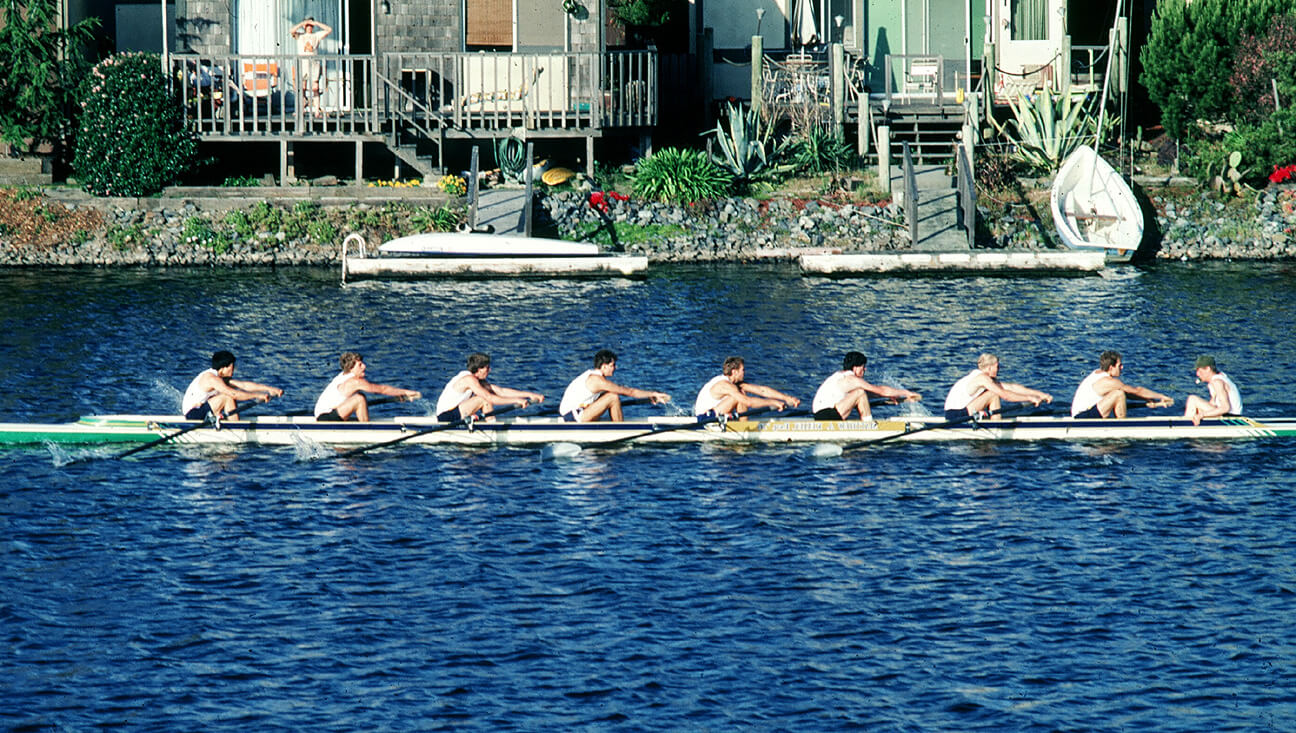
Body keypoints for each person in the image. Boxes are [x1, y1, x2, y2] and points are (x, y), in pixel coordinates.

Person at [558, 349, 670, 422]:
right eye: (612, 365)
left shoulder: (593, 376)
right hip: (572, 417)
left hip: (574, 413)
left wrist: (648, 397)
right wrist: (653, 393)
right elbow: (629, 392)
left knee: (609, 394)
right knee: (613, 397)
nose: (615, 368)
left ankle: (616, 423)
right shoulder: (597, 380)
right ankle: (619, 429)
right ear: (604, 366)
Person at [812, 351, 921, 420]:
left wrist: (890, 396)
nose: (865, 369)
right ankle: (869, 425)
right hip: (827, 415)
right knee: (860, 392)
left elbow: (870, 394)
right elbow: (880, 390)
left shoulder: (839, 376)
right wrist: (906, 392)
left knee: (861, 393)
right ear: (855, 368)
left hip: (820, 415)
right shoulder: (851, 379)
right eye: (863, 367)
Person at [314, 351, 420, 422]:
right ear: (351, 368)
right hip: (325, 417)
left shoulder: (343, 375)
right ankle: (366, 430)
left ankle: (363, 425)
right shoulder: (355, 381)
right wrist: (406, 392)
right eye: (360, 365)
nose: (364, 366)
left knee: (360, 398)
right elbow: (382, 390)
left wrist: (397, 397)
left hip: (325, 414)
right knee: (359, 398)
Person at [435, 353, 543, 422]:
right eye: (487, 368)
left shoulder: (477, 379)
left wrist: (530, 395)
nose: (489, 370)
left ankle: (491, 423)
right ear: (479, 369)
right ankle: (492, 427)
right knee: (483, 399)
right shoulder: (469, 379)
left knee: (485, 396)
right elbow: (489, 398)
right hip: (446, 417)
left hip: (455, 412)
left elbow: (501, 391)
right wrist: (516, 401)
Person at [943, 352, 1052, 421]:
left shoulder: (984, 378)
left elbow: (1012, 388)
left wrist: (1041, 394)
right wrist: (1029, 398)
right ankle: (996, 425)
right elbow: (1005, 395)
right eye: (997, 367)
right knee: (994, 394)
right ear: (989, 368)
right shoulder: (982, 379)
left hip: (956, 412)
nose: (999, 369)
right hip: (955, 415)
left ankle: (994, 420)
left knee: (995, 391)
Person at [181, 350, 282, 421]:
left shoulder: (219, 377)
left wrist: (270, 389)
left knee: (227, 395)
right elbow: (234, 394)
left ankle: (232, 423)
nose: (234, 370)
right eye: (232, 367)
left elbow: (244, 385)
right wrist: (258, 395)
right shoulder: (211, 378)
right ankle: (237, 428)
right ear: (224, 367)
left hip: (201, 410)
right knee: (227, 396)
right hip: (193, 415)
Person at [1070, 350, 1173, 419]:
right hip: (1082, 417)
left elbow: (1129, 394)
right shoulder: (1107, 381)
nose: (1122, 367)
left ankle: (1119, 423)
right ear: (1111, 368)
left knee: (1120, 393)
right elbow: (1137, 390)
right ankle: (1122, 426)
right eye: (1119, 365)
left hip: (1083, 414)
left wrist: (1147, 400)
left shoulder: (1098, 373)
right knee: (1118, 394)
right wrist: (1162, 396)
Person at [694, 356, 800, 418]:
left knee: (740, 393)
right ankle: (743, 428)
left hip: (714, 413)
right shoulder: (725, 385)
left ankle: (742, 425)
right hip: (705, 418)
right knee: (740, 396)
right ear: (734, 372)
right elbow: (748, 402)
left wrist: (786, 398)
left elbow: (762, 390)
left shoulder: (735, 383)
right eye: (743, 370)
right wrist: (773, 403)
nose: (744, 372)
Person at [290, 16, 332, 118]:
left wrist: (316, 23)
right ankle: (301, 110)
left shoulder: (316, 36)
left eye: (311, 25)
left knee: (315, 88)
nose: (309, 27)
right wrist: (302, 23)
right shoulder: (300, 36)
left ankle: (317, 111)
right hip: (303, 64)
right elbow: (292, 31)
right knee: (302, 88)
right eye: (307, 25)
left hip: (314, 64)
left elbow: (329, 30)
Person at [1184, 355, 1243, 425]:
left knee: (1192, 399)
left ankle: (1185, 425)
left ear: (1208, 369)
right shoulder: (1216, 379)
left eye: (1199, 370)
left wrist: (1201, 415)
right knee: (1198, 409)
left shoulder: (1217, 382)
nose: (1197, 374)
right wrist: (1200, 413)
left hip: (1231, 417)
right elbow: (1213, 405)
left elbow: (1225, 408)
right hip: (1227, 415)